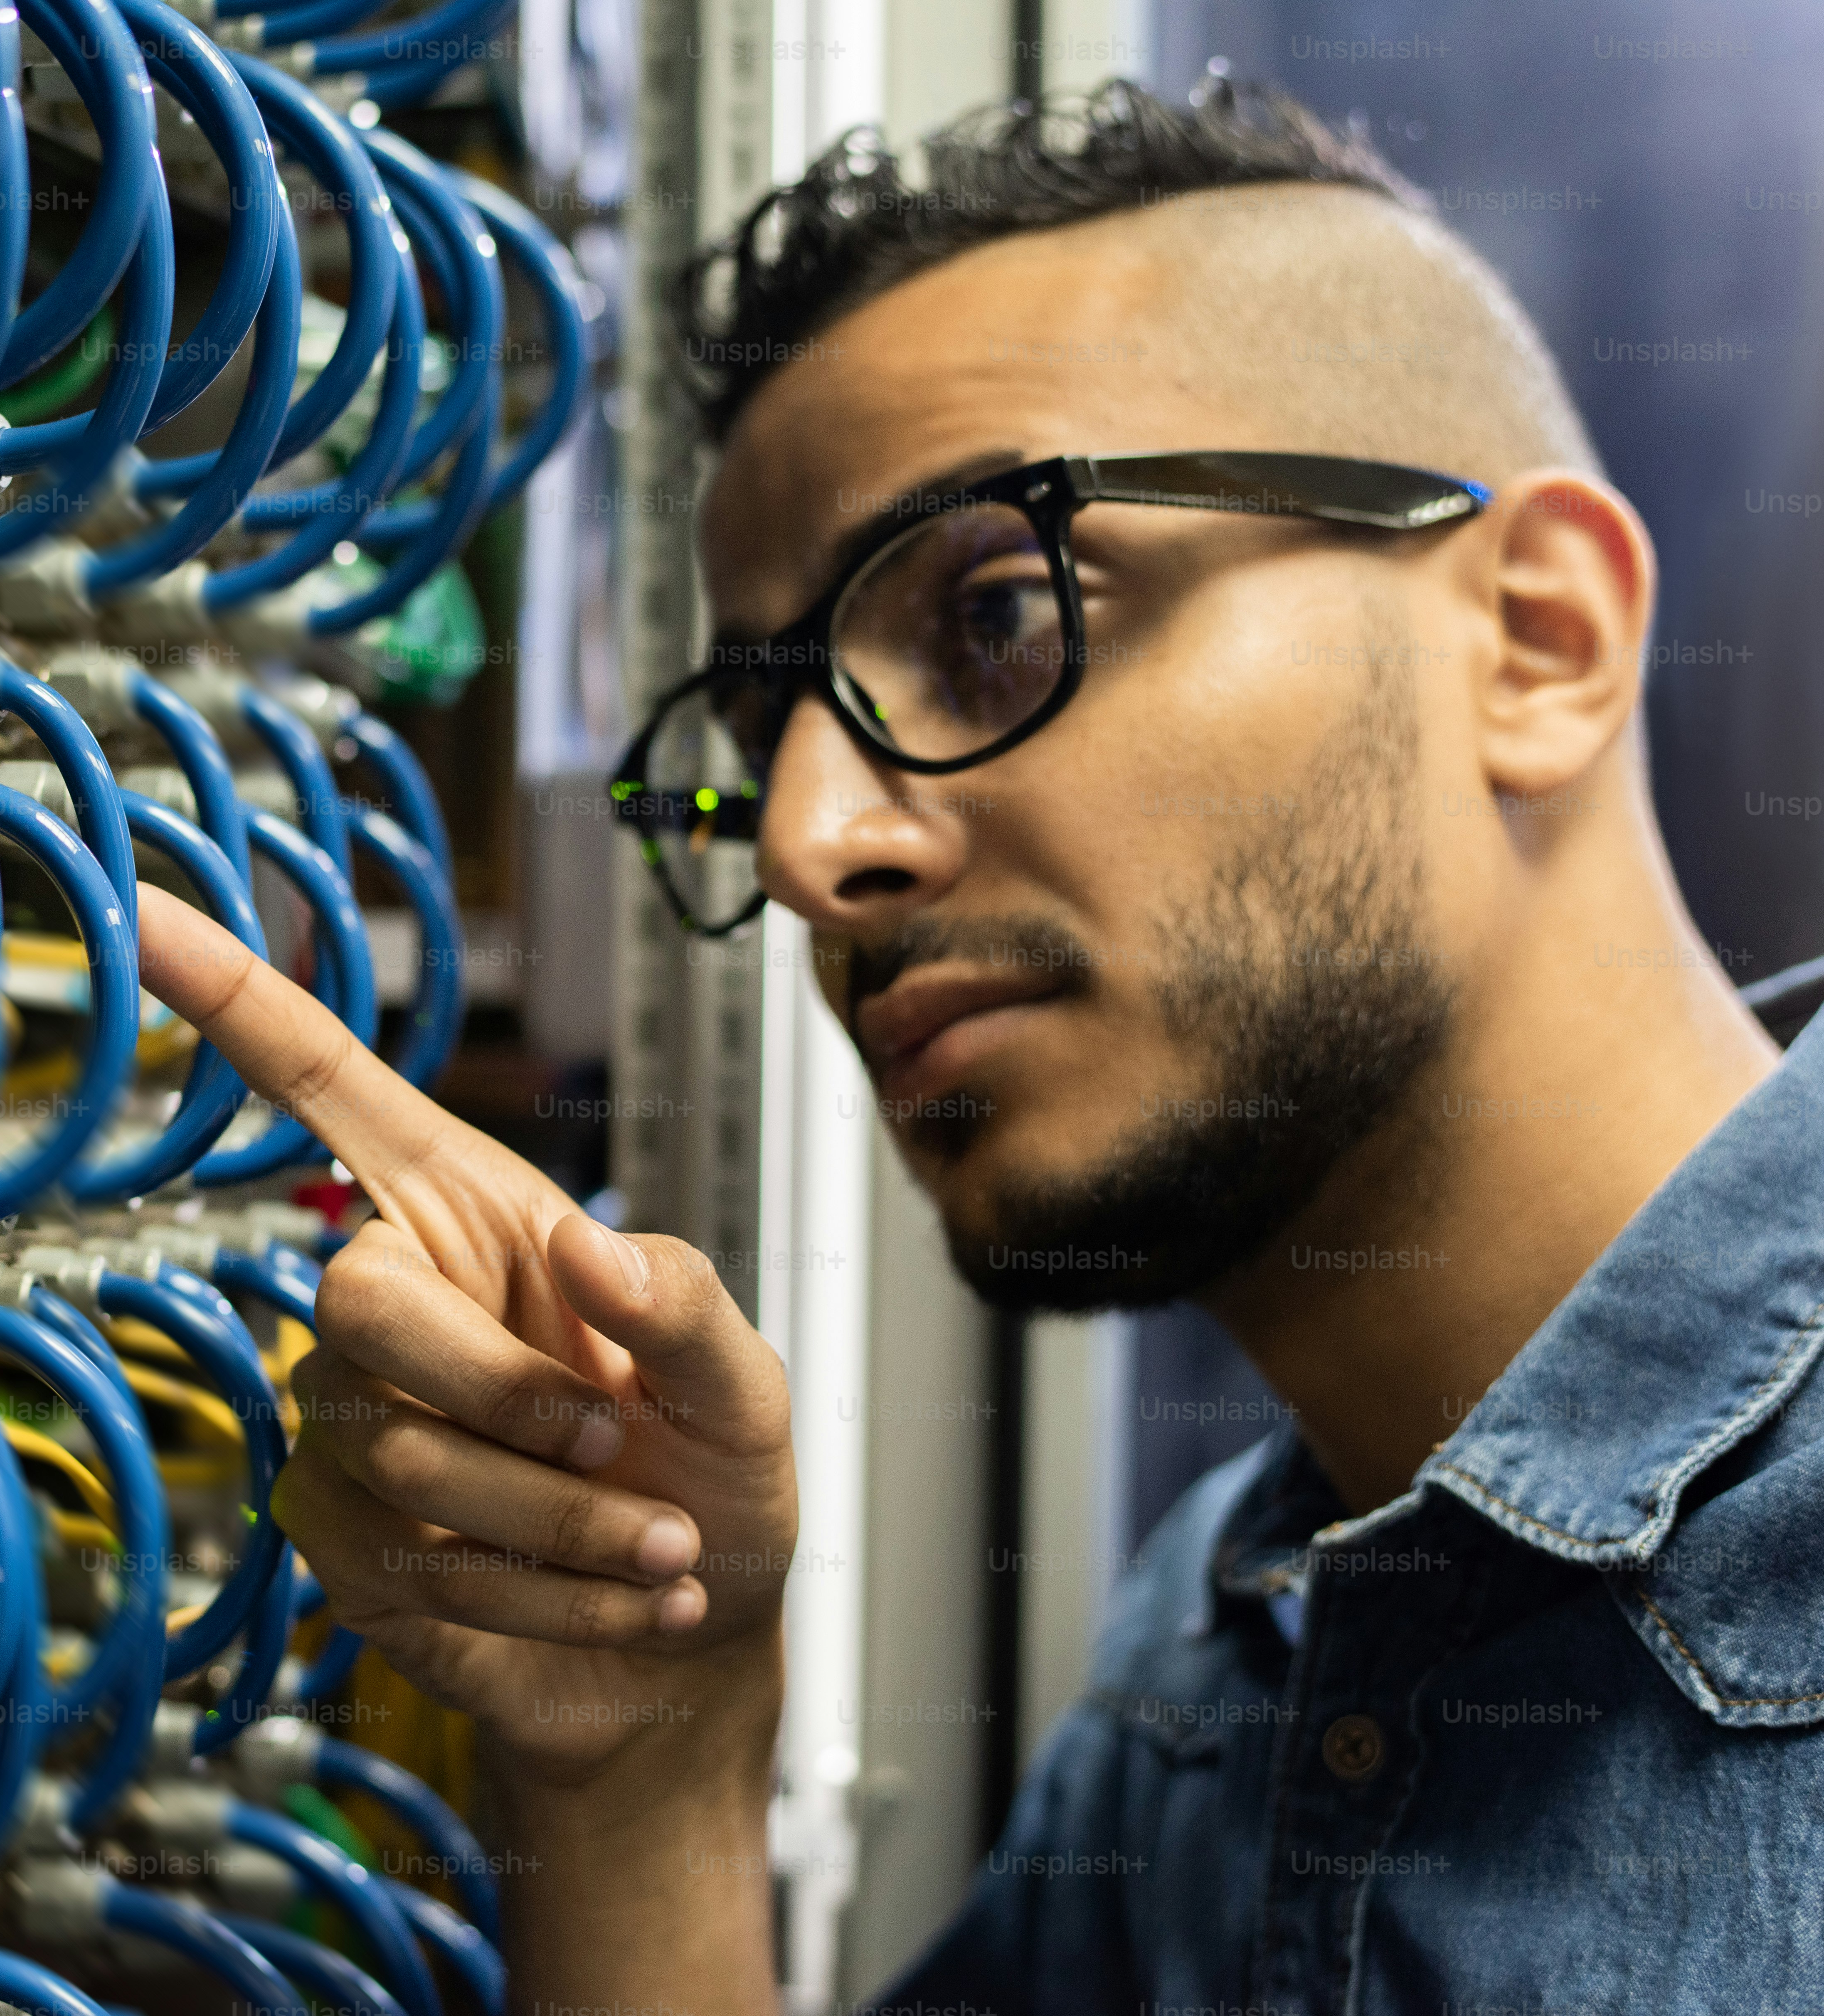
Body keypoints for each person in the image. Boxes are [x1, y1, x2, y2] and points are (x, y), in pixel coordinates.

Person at [128, 78, 1822, 2015]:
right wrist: (644, 1775)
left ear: (1535, 641)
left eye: (998, 617)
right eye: (762, 734)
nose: (800, 846)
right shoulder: (1235, 1638)